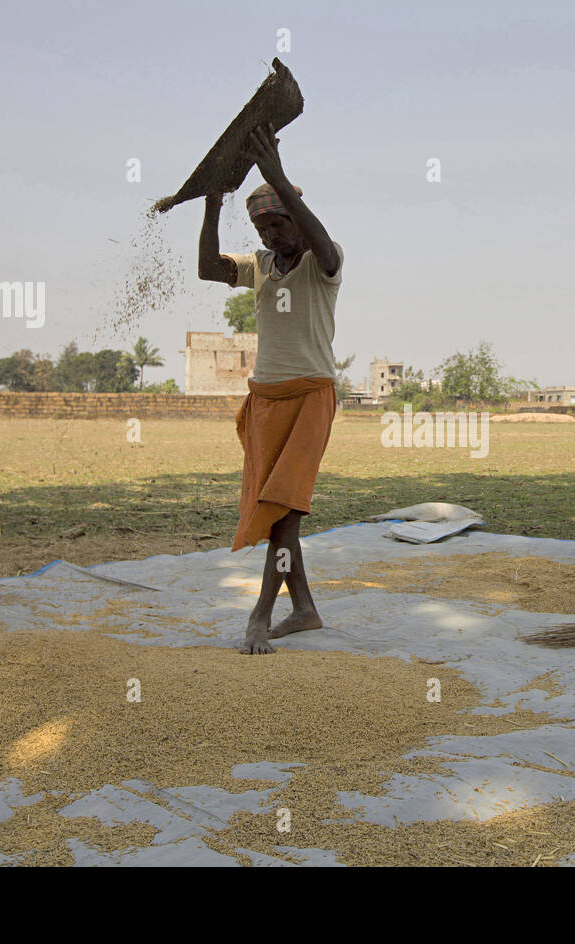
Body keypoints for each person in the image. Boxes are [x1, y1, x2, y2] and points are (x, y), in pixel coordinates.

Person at [197, 124, 343, 654]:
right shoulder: (260, 267)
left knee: (284, 511)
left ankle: (260, 614)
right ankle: (304, 609)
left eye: (278, 226)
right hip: (264, 401)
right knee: (277, 510)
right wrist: (213, 205)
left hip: (310, 398)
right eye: (261, 230)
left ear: (297, 221)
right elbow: (207, 268)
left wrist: (276, 175)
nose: (270, 238)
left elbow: (320, 242)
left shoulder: (323, 263)